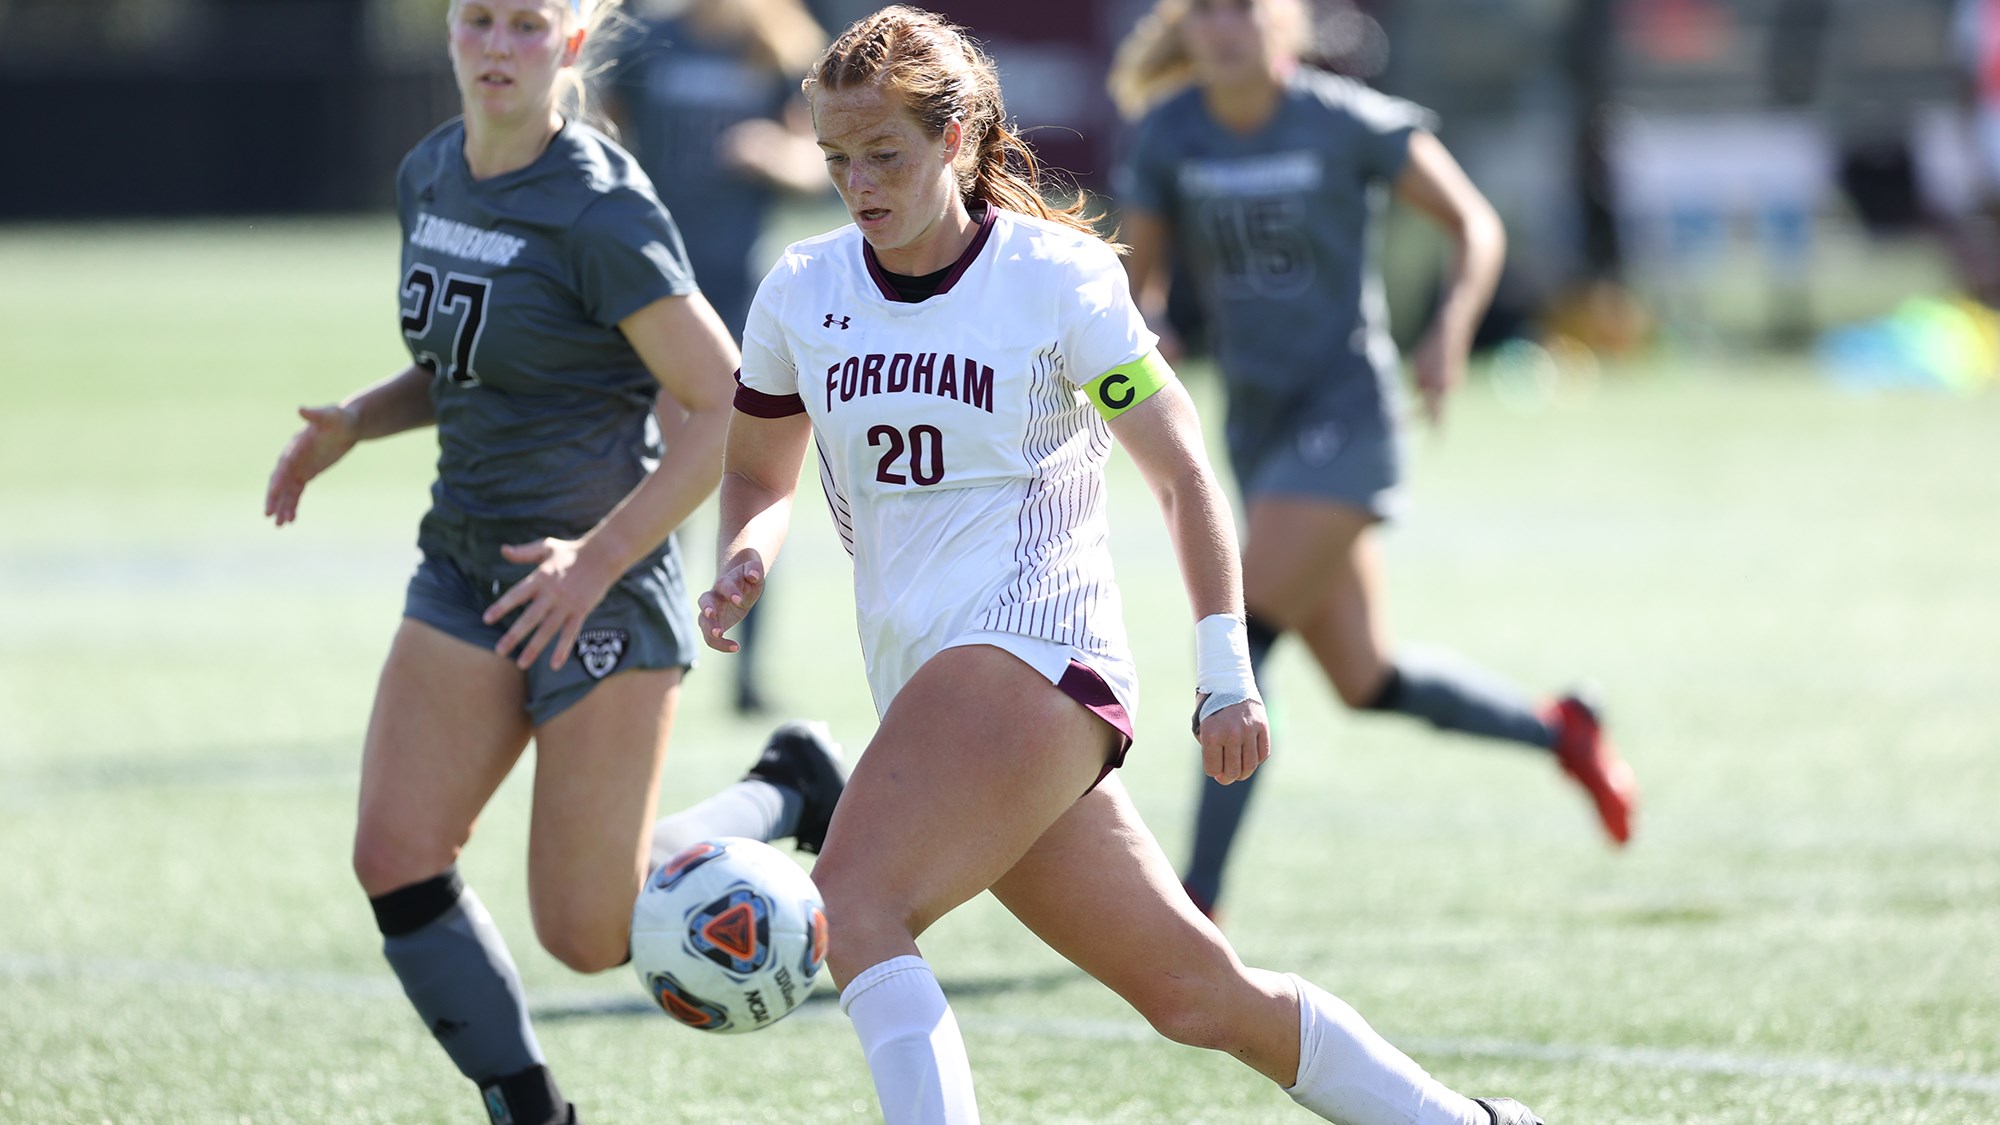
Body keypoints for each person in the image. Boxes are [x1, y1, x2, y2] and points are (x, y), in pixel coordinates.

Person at [700, 8, 1542, 1123]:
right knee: (1197, 996)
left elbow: (1183, 475)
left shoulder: (1058, 279)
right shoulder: (801, 290)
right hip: (929, 687)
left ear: (955, 139)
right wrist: (744, 557)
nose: (858, 181)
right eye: (838, 157)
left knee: (850, 906)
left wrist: (1226, 672)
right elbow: (758, 472)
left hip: (1032, 657)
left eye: (885, 154)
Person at [261, 3, 842, 1122]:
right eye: (476, 19)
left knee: (587, 933)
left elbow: (727, 405)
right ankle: (530, 1109)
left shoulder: (601, 204)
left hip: (604, 592)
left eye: (527, 25)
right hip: (464, 566)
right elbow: (472, 361)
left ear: (569, 46)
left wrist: (595, 558)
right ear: (447, 33)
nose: (495, 45)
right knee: (395, 855)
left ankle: (783, 791)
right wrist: (356, 420)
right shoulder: (431, 172)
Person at [1108, 0, 1641, 920]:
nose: (1223, 28)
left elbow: (1475, 226)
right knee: (1367, 679)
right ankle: (1561, 729)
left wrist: (1448, 332)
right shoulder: (1169, 133)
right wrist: (1149, 332)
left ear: (1283, 25)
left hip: (1349, 416)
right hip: (1257, 431)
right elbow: (1139, 285)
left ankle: (1197, 900)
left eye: (1240, 11)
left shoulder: (1346, 120)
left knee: (1246, 628)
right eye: (1204, 13)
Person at [605, 0, 833, 714]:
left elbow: (823, 160)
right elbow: (601, 136)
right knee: (656, 474)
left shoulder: (779, 45)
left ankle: (745, 670)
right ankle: (648, 655)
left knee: (753, 483)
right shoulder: (647, 37)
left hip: (743, 299)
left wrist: (776, 154)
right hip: (654, 294)